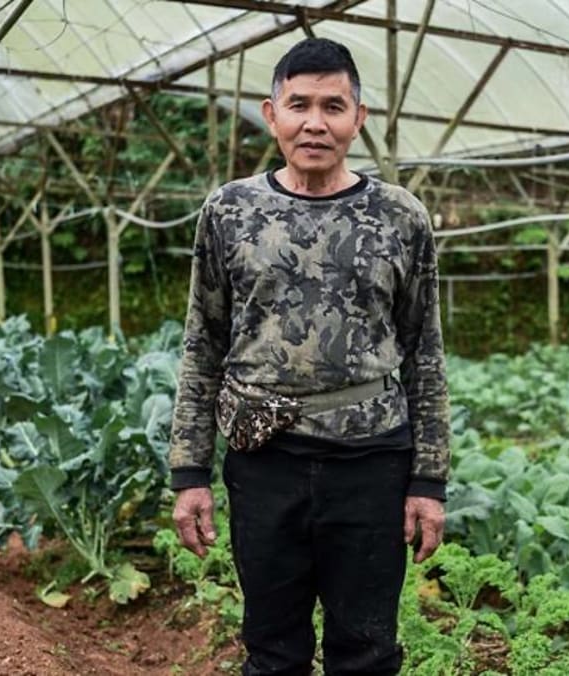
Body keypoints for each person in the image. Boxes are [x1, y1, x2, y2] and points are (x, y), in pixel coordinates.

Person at [168, 37, 450, 676]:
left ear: (359, 118)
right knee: (273, 650)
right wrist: (190, 472)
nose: (315, 123)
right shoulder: (230, 211)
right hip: (263, 460)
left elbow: (425, 354)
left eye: (333, 106)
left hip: (373, 460)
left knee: (368, 650)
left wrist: (428, 481)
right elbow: (202, 344)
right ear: (272, 115)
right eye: (299, 105)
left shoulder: (400, 217)